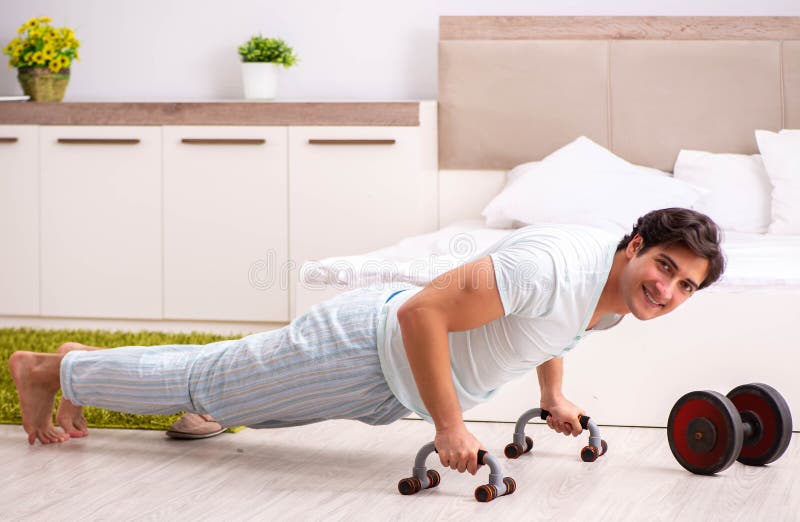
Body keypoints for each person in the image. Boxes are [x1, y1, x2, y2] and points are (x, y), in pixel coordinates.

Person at [9, 208, 724, 477]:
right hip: (363, 351)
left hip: (386, 383)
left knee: (221, 383)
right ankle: (47, 371)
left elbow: (552, 327)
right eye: (664, 266)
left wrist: (552, 393)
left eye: (685, 286)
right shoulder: (552, 265)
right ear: (635, 245)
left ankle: (81, 367)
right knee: (207, 387)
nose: (667, 291)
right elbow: (422, 315)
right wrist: (449, 424)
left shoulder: (615, 293)